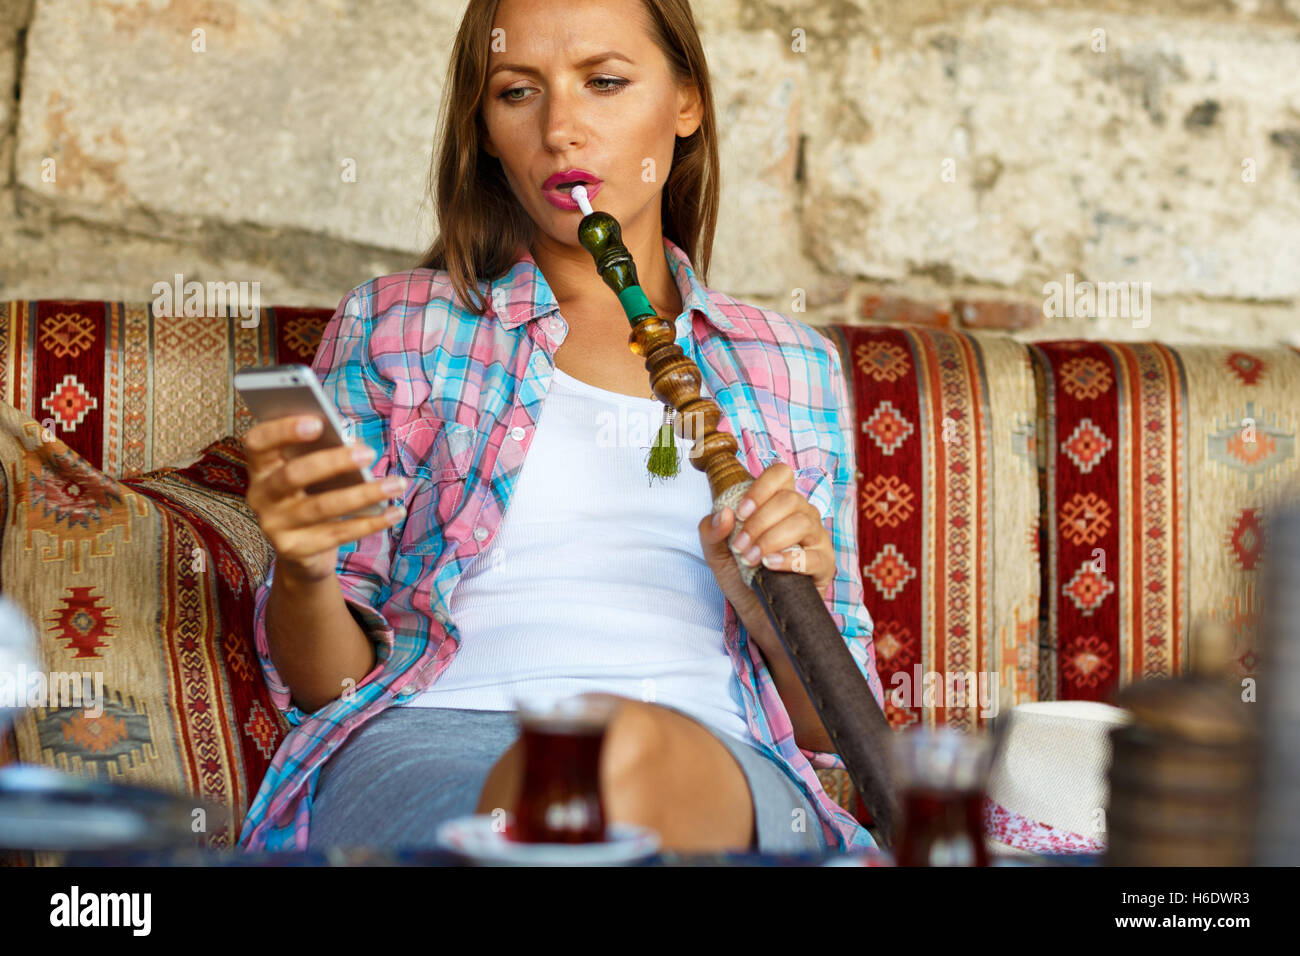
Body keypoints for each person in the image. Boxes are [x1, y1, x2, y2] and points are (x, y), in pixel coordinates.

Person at [237, 0, 885, 856]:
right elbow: (329, 686)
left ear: (685, 104)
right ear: (486, 127)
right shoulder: (401, 324)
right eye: (517, 92)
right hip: (434, 747)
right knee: (572, 783)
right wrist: (304, 566)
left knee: (616, 760)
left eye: (605, 82)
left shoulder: (786, 365)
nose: (561, 131)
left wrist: (770, 604)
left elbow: (837, 729)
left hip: (706, 753)